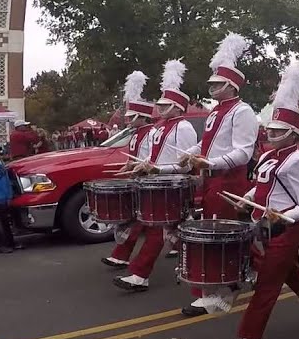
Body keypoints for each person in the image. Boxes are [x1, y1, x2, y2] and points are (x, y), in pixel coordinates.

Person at [225, 60, 299, 339]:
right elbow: (261, 186)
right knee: (289, 273)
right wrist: (246, 198)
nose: (270, 133)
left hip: (287, 230)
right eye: (271, 128)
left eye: (278, 129)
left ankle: (251, 338)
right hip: (265, 227)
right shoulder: (269, 157)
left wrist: (284, 216)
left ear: (294, 134)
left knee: (267, 283)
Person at [181, 33, 259, 317]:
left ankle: (216, 290)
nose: (212, 87)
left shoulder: (243, 111)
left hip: (231, 182)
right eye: (211, 83)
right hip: (214, 180)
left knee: (221, 236)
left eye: (217, 84)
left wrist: (209, 163)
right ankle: (219, 287)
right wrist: (189, 153)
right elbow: (206, 144)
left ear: (231, 85)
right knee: (225, 237)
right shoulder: (216, 112)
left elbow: (243, 152)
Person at [113, 60, 199, 291]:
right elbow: (153, 157)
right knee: (172, 229)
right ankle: (238, 261)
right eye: (160, 105)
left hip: (172, 185)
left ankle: (140, 274)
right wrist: (141, 167)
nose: (160, 108)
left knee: (157, 230)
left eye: (166, 105)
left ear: (179, 107)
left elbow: (185, 165)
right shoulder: (160, 127)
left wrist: (158, 170)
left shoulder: (184, 128)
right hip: (157, 184)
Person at [101, 71, 161, 268]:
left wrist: (139, 167)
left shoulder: (151, 132)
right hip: (138, 180)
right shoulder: (136, 134)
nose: (127, 120)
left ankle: (126, 257)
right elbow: (135, 157)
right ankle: (121, 255)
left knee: (145, 222)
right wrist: (128, 166)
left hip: (147, 181)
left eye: (131, 117)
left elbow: (151, 158)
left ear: (142, 117)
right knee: (135, 220)